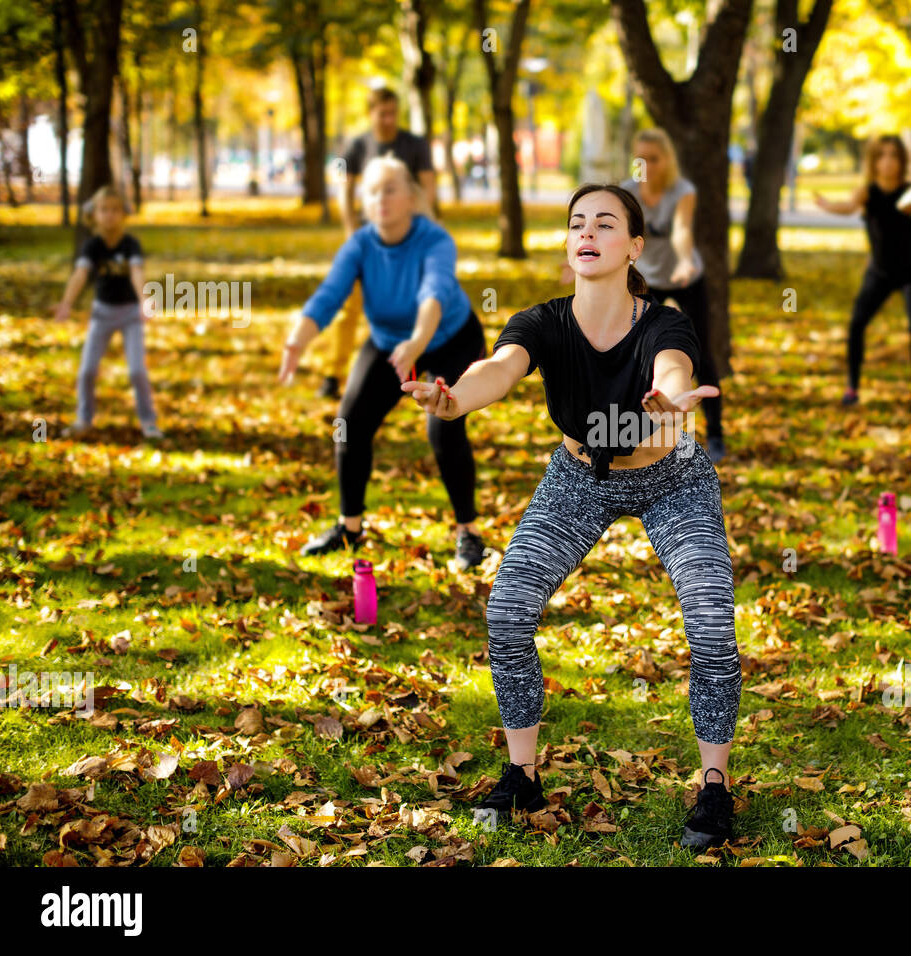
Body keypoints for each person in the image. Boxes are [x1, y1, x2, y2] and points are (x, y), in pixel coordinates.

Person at [403, 183, 741, 848]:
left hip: (670, 477)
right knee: (506, 609)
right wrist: (451, 401)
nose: (587, 232)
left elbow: (674, 369)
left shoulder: (664, 320)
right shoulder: (543, 322)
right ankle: (522, 772)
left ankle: (714, 786)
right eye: (577, 223)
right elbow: (497, 371)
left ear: (635, 246)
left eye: (605, 223)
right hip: (579, 476)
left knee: (709, 622)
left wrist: (672, 400)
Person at [278, 155, 489, 569]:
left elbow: (434, 295)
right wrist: (296, 341)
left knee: (443, 425)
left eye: (390, 189)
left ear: (411, 196)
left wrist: (416, 342)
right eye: (372, 191)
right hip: (391, 343)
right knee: (349, 423)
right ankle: (350, 529)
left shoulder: (435, 240)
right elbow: (329, 295)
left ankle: (469, 533)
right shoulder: (360, 244)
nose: (381, 199)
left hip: (451, 339)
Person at [320, 86, 438, 401]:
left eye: (392, 113)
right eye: (382, 113)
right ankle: (333, 373)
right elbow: (344, 190)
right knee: (350, 305)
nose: (388, 119)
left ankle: (421, 369)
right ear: (370, 113)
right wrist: (350, 231)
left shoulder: (414, 145)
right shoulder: (358, 145)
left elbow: (428, 188)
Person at [617, 128, 726, 462]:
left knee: (702, 353)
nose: (647, 164)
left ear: (667, 160)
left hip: (684, 277)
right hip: (646, 281)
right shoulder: (626, 193)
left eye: (654, 158)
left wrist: (682, 261)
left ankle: (717, 434)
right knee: (636, 354)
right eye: (642, 158)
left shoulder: (682, 191)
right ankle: (632, 434)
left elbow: (681, 230)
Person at [814, 133, 911, 410]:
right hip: (880, 272)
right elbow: (847, 207)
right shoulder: (867, 191)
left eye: (894, 155)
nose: (888, 161)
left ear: (902, 160)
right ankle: (852, 387)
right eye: (882, 155)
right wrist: (826, 205)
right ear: (874, 160)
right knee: (857, 324)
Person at [53, 185, 163, 440]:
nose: (110, 215)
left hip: (130, 315)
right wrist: (67, 303)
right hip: (101, 314)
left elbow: (137, 273)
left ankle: (149, 423)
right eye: (104, 210)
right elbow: (80, 274)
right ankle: (84, 419)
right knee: (87, 371)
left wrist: (145, 300)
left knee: (137, 371)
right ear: (95, 214)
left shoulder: (130, 244)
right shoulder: (92, 246)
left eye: (115, 210)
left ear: (123, 214)